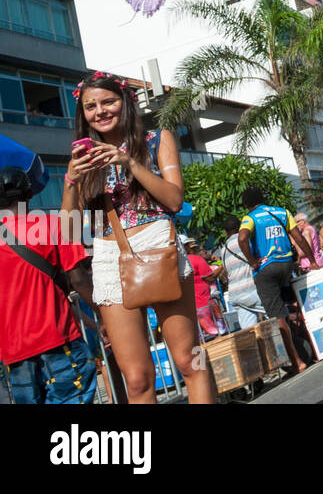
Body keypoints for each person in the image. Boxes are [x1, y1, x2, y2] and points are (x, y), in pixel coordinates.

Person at [59, 71, 214, 404]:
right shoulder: (84, 161)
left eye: (108, 102)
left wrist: (128, 162)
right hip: (109, 260)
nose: (99, 111)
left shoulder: (157, 139)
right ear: (83, 113)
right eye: (90, 106)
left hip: (158, 248)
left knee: (191, 359)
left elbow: (174, 200)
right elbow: (69, 229)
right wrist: (71, 181)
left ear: (125, 103)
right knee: (138, 379)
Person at [1, 164, 98, 404]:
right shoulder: (51, 225)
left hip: (14, 354)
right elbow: (78, 278)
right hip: (59, 339)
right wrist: (103, 317)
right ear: (30, 194)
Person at [239, 186, 315, 373]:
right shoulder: (283, 212)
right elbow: (298, 237)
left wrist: (252, 262)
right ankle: (310, 345)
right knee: (291, 303)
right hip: (286, 264)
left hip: (266, 270)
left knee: (277, 316)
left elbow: (242, 239)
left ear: (247, 204)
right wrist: (312, 260)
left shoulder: (250, 218)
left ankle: (298, 362)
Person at [219, 215, 264, 331]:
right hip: (251, 290)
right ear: (240, 227)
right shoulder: (244, 241)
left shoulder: (223, 250)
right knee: (277, 316)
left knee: (250, 332)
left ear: (225, 232)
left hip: (235, 295)